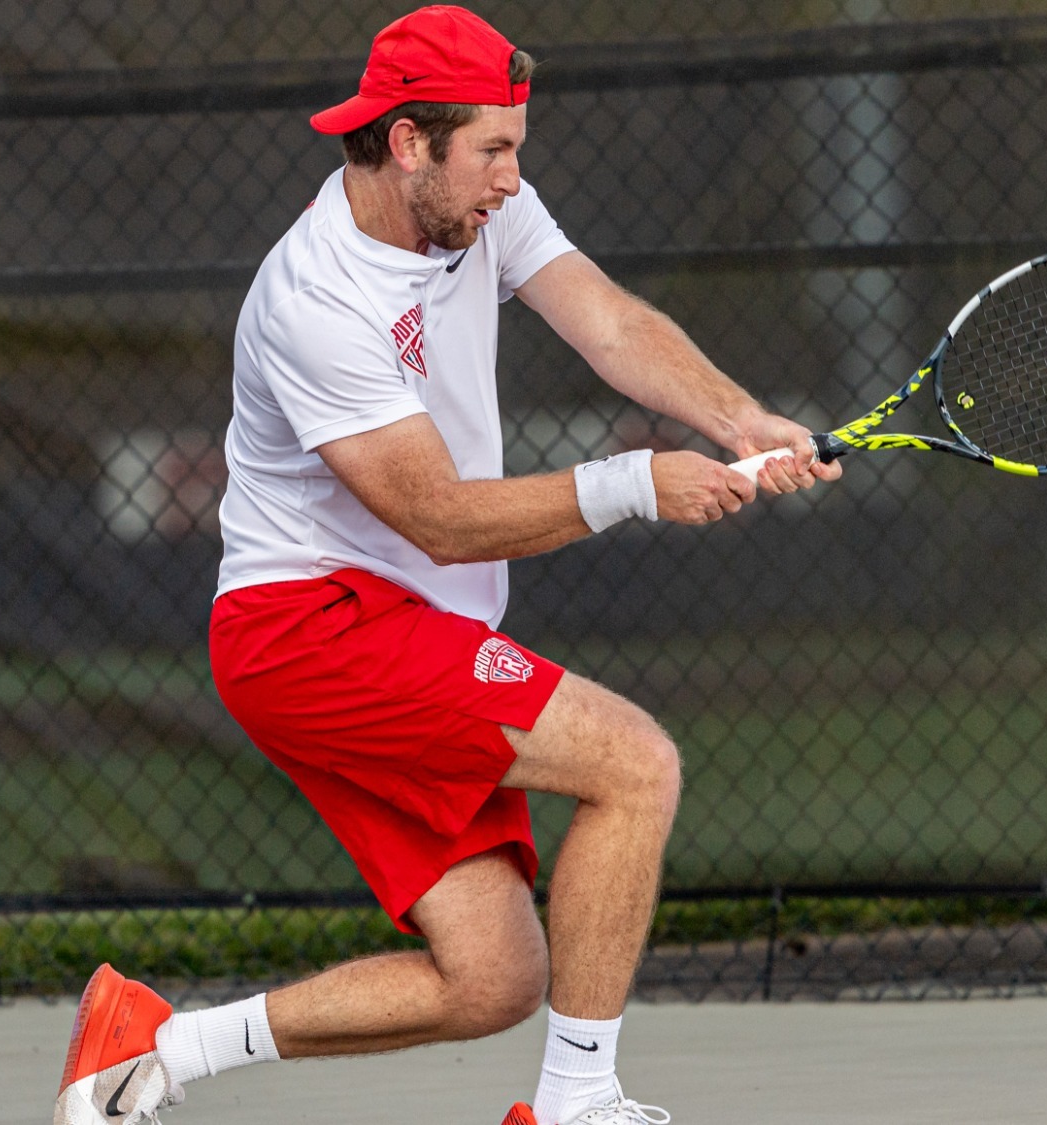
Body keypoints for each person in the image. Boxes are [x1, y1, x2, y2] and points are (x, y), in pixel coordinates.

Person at [51, 6, 837, 1125]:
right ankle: (574, 1106)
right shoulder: (315, 298)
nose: (513, 178)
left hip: (409, 626)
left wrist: (739, 416)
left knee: (493, 979)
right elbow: (440, 520)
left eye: (516, 148)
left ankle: (155, 1047)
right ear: (408, 142)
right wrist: (634, 485)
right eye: (494, 150)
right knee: (632, 765)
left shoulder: (475, 212)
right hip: (310, 629)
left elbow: (607, 324)